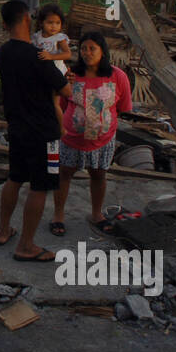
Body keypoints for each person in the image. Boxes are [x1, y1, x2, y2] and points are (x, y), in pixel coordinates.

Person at [0, 0, 71, 261]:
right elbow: (66, 90)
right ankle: (26, 246)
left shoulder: (3, 53)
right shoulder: (39, 56)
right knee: (40, 186)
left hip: (17, 127)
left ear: (5, 24)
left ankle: (3, 231)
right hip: (44, 133)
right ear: (28, 19)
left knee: (15, 178)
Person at [50, 30, 132, 236]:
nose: (87, 53)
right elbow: (60, 104)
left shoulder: (118, 76)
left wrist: (102, 123)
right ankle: (58, 216)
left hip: (103, 140)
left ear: (102, 51)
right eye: (84, 48)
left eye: (92, 48)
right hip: (70, 139)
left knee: (98, 175)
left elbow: (122, 107)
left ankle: (96, 214)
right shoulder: (71, 75)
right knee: (64, 174)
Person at [32, 3, 72, 135]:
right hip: (42, 73)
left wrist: (51, 56)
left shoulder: (59, 38)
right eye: (50, 22)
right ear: (42, 22)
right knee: (43, 101)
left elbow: (67, 54)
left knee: (55, 103)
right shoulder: (37, 37)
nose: (54, 26)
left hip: (56, 73)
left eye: (57, 23)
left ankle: (61, 129)